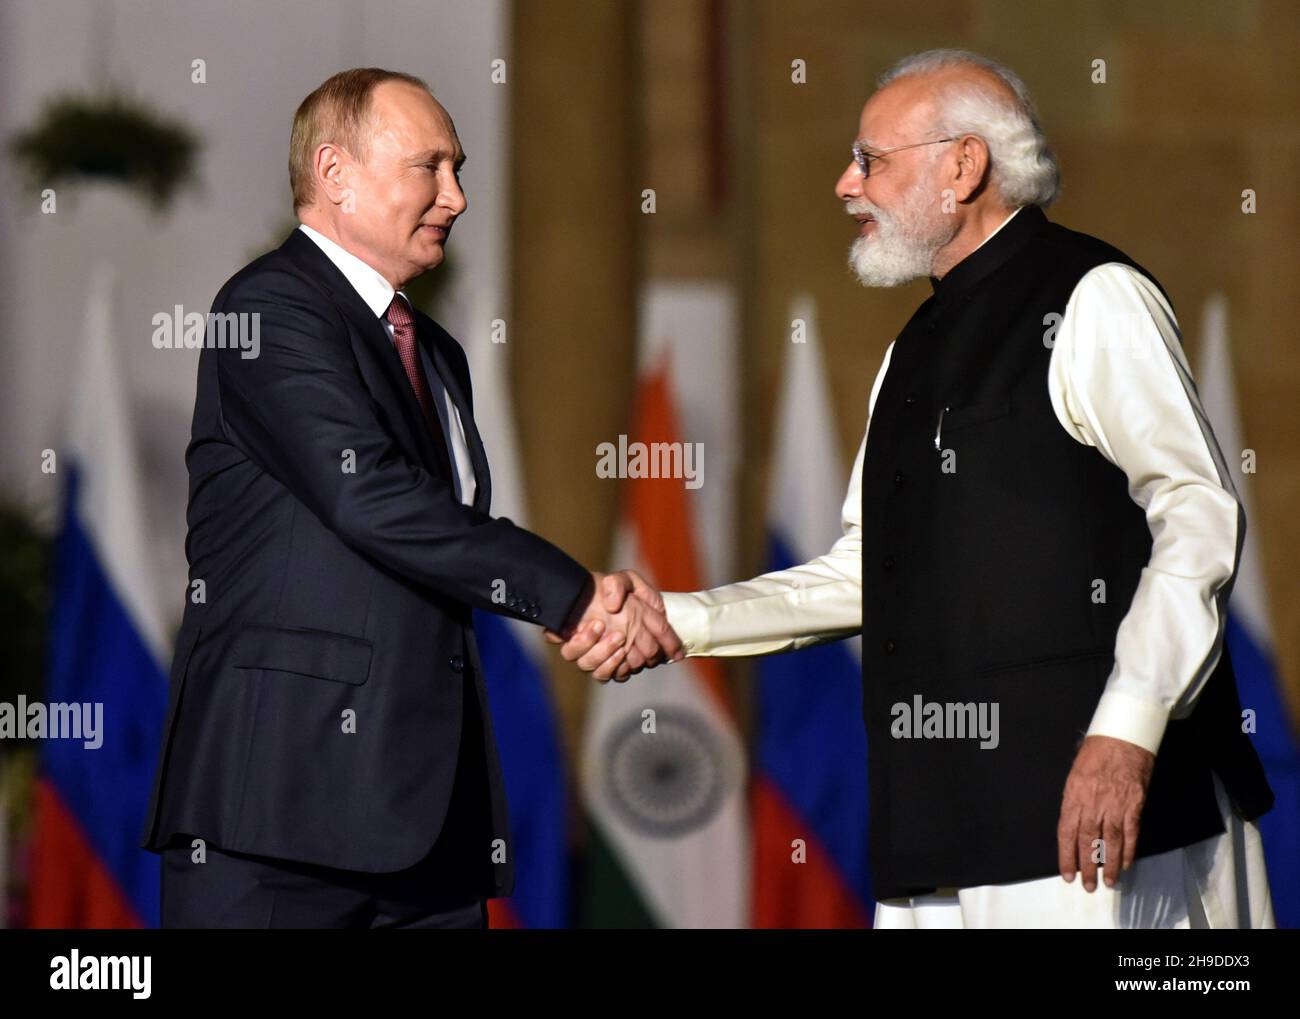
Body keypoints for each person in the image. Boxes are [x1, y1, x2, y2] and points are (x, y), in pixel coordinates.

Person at [559, 49, 1275, 929]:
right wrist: (683, 618)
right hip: (937, 833)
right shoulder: (910, 349)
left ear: (963, 164)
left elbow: (1199, 516)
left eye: (870, 159)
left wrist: (1128, 725)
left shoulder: (1095, 296)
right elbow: (868, 573)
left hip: (1097, 824)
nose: (843, 184)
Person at [140, 67, 681, 929]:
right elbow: (373, 500)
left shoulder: (435, 350)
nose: (456, 197)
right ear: (334, 172)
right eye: (429, 167)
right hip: (280, 816)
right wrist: (575, 596)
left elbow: (440, 541)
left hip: (428, 824)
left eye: (458, 169)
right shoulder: (270, 308)